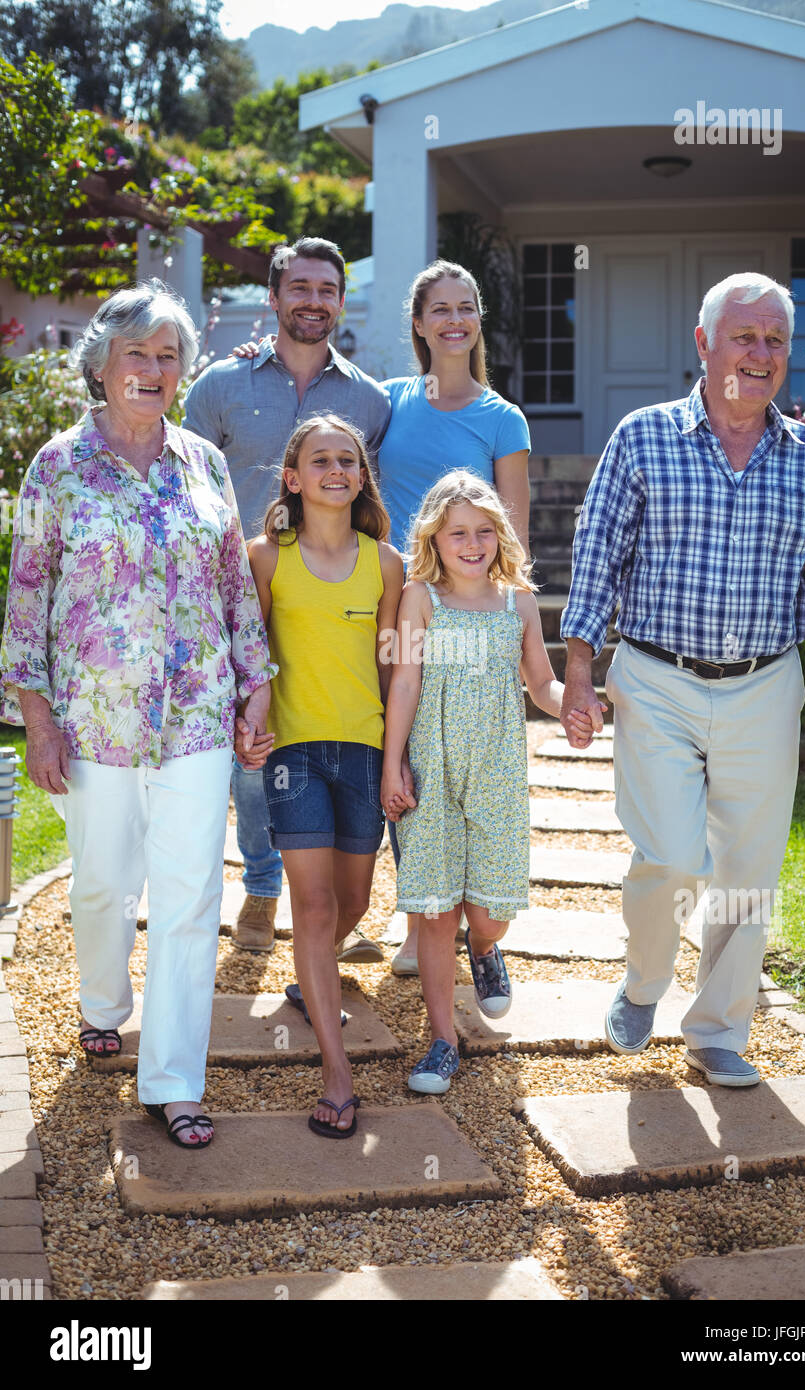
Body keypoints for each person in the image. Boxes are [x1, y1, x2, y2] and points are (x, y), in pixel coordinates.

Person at [561, 271, 805, 1087]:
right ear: (704, 344)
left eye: (775, 339)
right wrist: (581, 672)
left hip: (765, 685)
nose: (761, 353)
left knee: (748, 870)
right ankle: (643, 983)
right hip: (657, 678)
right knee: (671, 854)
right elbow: (597, 558)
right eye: (744, 335)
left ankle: (719, 1027)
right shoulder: (643, 437)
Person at [0, 280, 276, 1147]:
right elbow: (28, 598)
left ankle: (172, 1083)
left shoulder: (204, 462)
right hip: (94, 722)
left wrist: (255, 679)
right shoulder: (58, 465)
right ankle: (102, 1001)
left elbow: (234, 578)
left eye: (169, 356)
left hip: (195, 712)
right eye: (138, 354)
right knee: (102, 885)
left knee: (193, 897)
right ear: (102, 364)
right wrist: (38, 719)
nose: (154, 370)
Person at [184, 237, 391, 958]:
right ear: (272, 300)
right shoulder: (218, 387)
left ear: (340, 300)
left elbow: (367, 494)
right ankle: (264, 885)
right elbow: (187, 490)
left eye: (326, 289)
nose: (312, 301)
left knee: (324, 731)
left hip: (326, 597)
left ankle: (325, 899)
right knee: (255, 741)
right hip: (234, 595)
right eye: (298, 288)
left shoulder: (368, 397)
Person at [381, 471, 577, 1093]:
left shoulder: (516, 599)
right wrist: (394, 762)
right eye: (457, 532)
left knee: (488, 910)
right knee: (437, 910)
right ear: (434, 539)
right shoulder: (420, 597)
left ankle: (487, 950)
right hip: (432, 766)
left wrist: (569, 704)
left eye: (484, 531)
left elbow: (540, 680)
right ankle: (441, 1040)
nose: (472, 543)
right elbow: (405, 682)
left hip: (495, 768)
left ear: (500, 536)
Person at [237, 414, 403, 1135]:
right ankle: (337, 1074)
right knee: (310, 908)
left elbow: (396, 666)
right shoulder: (264, 557)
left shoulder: (388, 565)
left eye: (348, 459)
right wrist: (252, 713)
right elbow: (248, 648)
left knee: (353, 902)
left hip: (364, 749)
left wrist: (397, 757)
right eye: (320, 459)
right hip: (293, 752)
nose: (336, 470)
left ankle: (313, 977)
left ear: (362, 476)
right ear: (293, 477)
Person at [378, 259, 531, 976]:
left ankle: (478, 932)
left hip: (469, 612)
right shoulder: (390, 401)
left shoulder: (503, 419)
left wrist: (514, 612)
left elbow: (512, 532)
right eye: (438, 308)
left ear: (477, 320)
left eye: (465, 306)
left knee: (465, 768)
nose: (453, 319)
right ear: (418, 322)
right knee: (409, 758)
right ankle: (422, 921)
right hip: (398, 604)